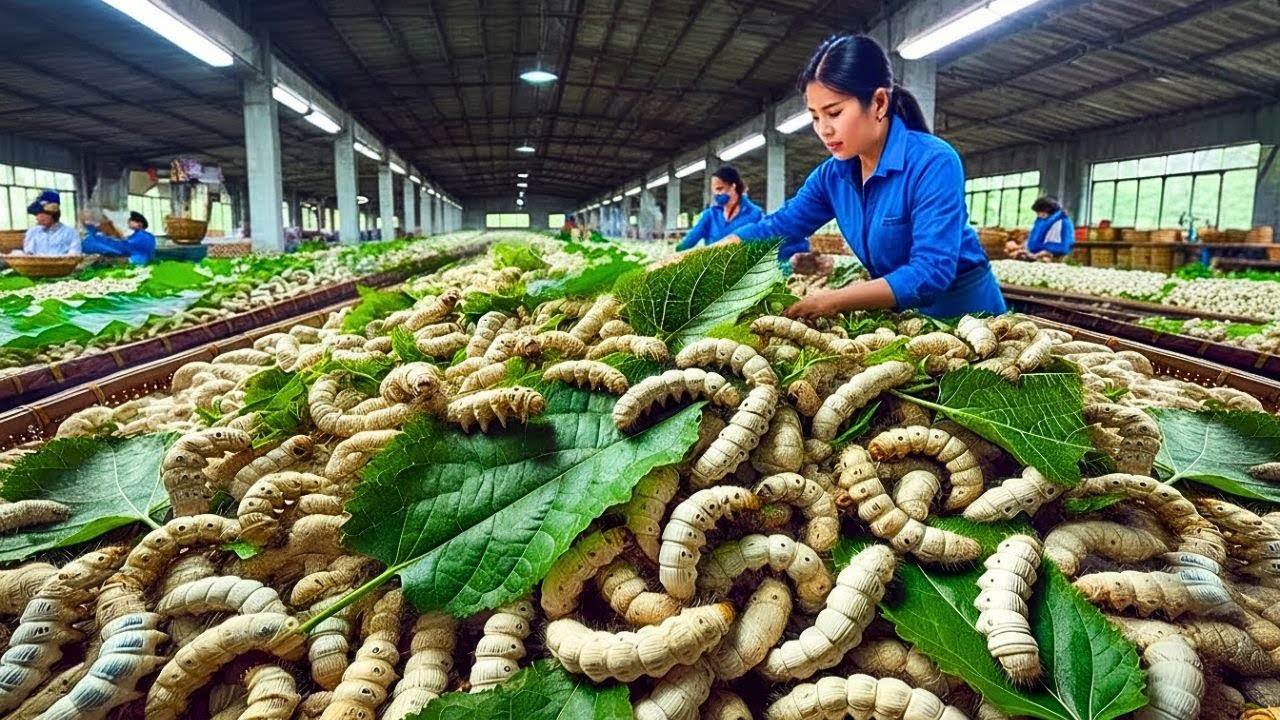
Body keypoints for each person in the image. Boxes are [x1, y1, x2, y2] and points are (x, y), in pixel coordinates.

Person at [665, 35, 1006, 319]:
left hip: (968, 316)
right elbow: (778, 228)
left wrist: (832, 301)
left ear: (879, 102)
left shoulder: (933, 162)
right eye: (815, 117)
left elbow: (930, 273)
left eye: (834, 113)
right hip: (905, 318)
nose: (824, 130)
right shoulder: (833, 176)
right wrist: (698, 256)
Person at [676, 166, 808, 260]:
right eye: (714, 191)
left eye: (720, 189)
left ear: (733, 186)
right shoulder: (710, 215)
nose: (716, 194)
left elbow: (770, 237)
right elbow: (690, 240)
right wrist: (674, 257)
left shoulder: (754, 214)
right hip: (713, 270)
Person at [1004, 196, 1074, 261]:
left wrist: (1035, 252)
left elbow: (1057, 243)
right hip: (1039, 249)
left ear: (1046, 210)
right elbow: (1034, 237)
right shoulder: (1042, 220)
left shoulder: (1060, 222)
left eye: (1039, 212)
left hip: (1053, 251)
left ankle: (1033, 257)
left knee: (1043, 256)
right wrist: (1023, 246)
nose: (1038, 215)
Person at [83, 211, 157, 265]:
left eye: (131, 220)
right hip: (138, 259)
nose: (128, 222)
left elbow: (124, 246)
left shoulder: (143, 236)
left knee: (103, 260)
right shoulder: (144, 235)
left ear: (140, 223)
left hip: (134, 260)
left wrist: (107, 240)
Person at [22, 190, 81, 255]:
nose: (38, 218)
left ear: (54, 214)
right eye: (36, 214)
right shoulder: (33, 232)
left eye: (43, 214)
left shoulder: (70, 233)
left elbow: (74, 254)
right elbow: (28, 254)